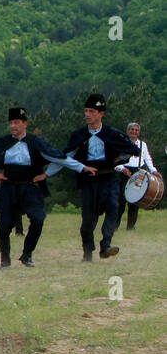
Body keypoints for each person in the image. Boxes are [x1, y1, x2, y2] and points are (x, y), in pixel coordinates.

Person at [0, 107, 88, 267]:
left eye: (16, 123)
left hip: (30, 186)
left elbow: (58, 157)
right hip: (8, 186)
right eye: (11, 123)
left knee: (38, 219)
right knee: (4, 225)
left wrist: (81, 168)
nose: (13, 126)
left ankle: (27, 254)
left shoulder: (36, 142)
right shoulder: (2, 143)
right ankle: (5, 258)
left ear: (25, 124)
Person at [62, 94, 138, 261]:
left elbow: (132, 150)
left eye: (92, 111)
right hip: (88, 179)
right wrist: (79, 166)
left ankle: (106, 245)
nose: (87, 114)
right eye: (86, 111)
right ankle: (87, 251)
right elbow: (66, 155)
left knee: (112, 208)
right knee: (88, 220)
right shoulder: (79, 135)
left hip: (108, 177)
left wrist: (114, 161)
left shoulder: (112, 133)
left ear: (101, 113)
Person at [115, 122, 156, 230]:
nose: (134, 132)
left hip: (139, 174)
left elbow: (148, 160)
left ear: (139, 132)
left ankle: (131, 226)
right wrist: (123, 169)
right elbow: (114, 161)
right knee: (121, 201)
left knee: (135, 200)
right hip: (125, 173)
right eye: (132, 129)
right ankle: (114, 225)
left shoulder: (143, 145)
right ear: (128, 131)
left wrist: (154, 171)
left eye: (136, 130)